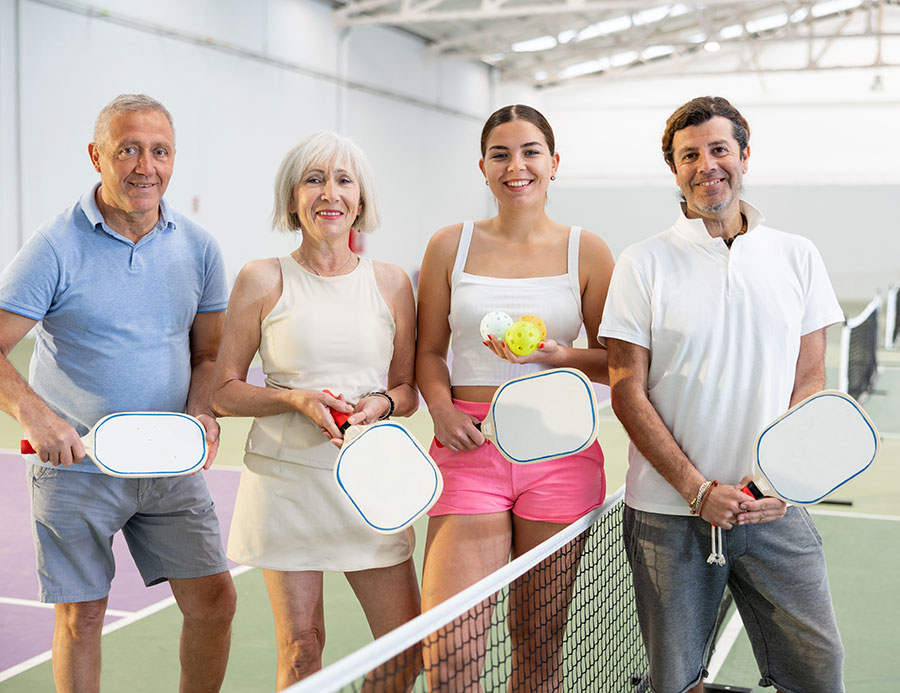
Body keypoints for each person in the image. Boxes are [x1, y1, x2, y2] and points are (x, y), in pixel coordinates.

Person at [599, 96, 845, 693]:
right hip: (669, 514)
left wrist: (780, 481)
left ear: (744, 156)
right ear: (674, 169)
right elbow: (626, 385)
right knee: (674, 682)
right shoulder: (642, 263)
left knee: (819, 670)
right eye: (690, 155)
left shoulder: (798, 255)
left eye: (718, 149)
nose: (706, 165)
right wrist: (697, 489)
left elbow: (809, 379)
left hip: (776, 511)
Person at [0, 94, 236, 692]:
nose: (144, 166)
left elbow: (207, 353)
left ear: (173, 159)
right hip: (76, 467)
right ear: (96, 155)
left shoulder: (201, 248)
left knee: (214, 600)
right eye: (127, 149)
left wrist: (202, 411)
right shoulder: (53, 245)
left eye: (159, 151)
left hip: (169, 462)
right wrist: (36, 416)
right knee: (83, 618)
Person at [210, 131, 421, 690]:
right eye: (314, 179)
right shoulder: (261, 278)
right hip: (285, 487)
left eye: (344, 181)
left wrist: (381, 402)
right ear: (292, 199)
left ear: (361, 201)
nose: (330, 193)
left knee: (405, 649)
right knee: (302, 650)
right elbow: (223, 392)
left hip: (371, 486)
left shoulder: (393, 284)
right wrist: (292, 399)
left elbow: (408, 390)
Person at [416, 104, 615, 691]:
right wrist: (443, 409)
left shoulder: (589, 251)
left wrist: (561, 356)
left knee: (536, 645)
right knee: (450, 651)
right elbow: (428, 353)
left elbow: (616, 364)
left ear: (554, 163)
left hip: (559, 453)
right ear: (483, 167)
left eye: (530, 152)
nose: (516, 166)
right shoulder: (449, 246)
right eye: (501, 154)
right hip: (468, 447)